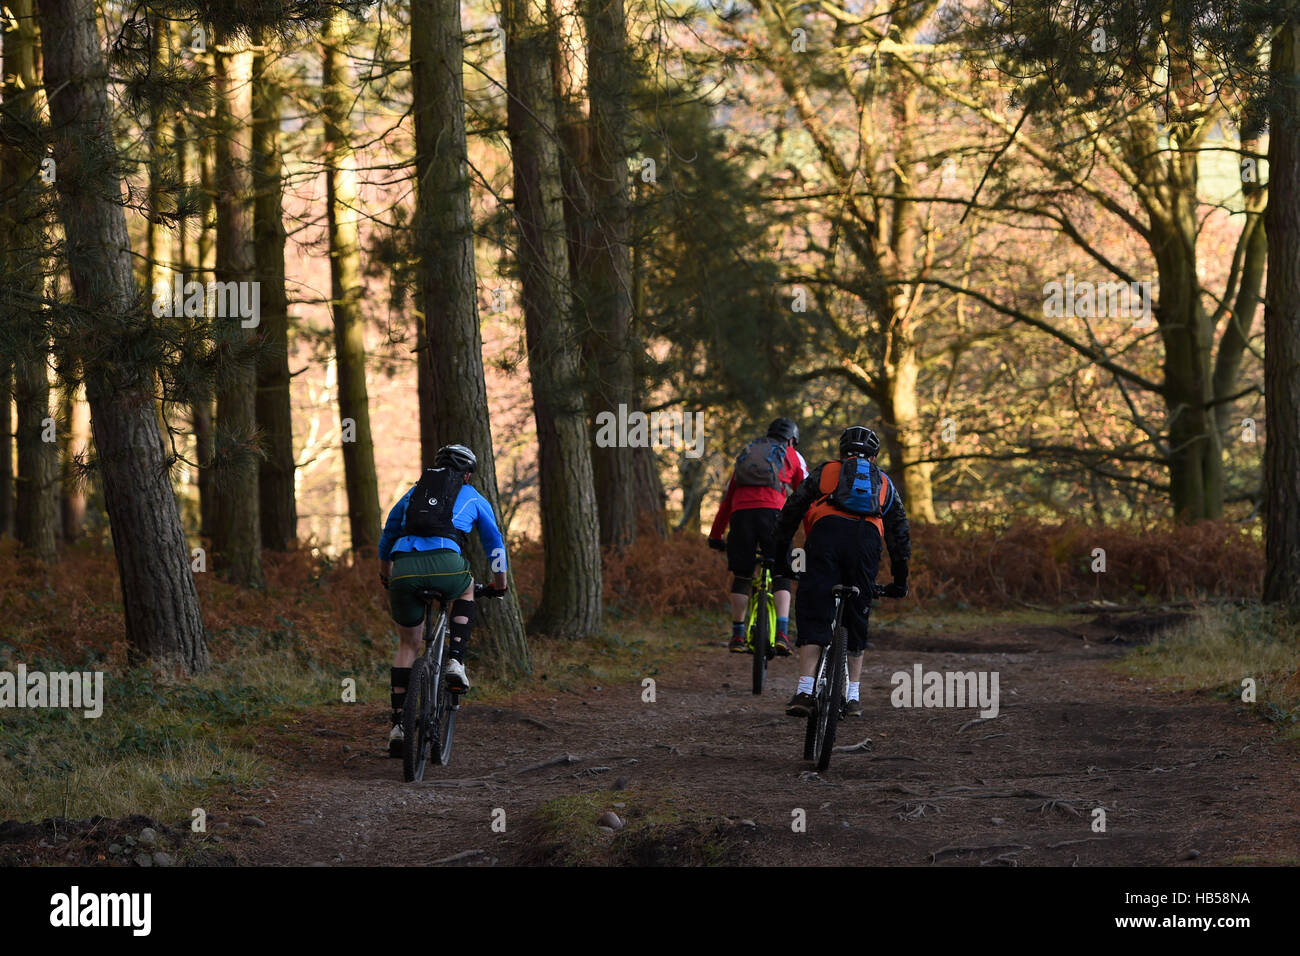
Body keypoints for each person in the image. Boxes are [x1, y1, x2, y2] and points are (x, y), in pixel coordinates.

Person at [767, 426, 910, 719]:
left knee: (814, 605)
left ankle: (805, 691)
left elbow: (791, 511)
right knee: (858, 613)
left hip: (825, 538)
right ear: (874, 456)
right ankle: (853, 695)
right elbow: (899, 536)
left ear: (842, 452)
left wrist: (782, 558)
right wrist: (899, 581)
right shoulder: (884, 482)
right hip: (867, 541)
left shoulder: (827, 472)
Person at [378, 444, 508, 756]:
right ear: (467, 474)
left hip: (404, 570)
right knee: (465, 588)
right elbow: (495, 545)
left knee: (408, 645)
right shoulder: (473, 496)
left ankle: (398, 726)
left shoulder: (413, 494)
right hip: (447, 566)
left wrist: (387, 576)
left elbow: (387, 536)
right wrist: (499, 585)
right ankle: (455, 661)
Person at [708, 417, 809, 655]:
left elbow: (728, 498)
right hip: (774, 515)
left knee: (743, 575)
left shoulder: (748, 454)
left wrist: (716, 534)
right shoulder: (792, 454)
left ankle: (737, 634)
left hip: (741, 516)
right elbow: (806, 495)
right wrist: (812, 531)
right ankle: (783, 633)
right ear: (792, 439)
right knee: (783, 573)